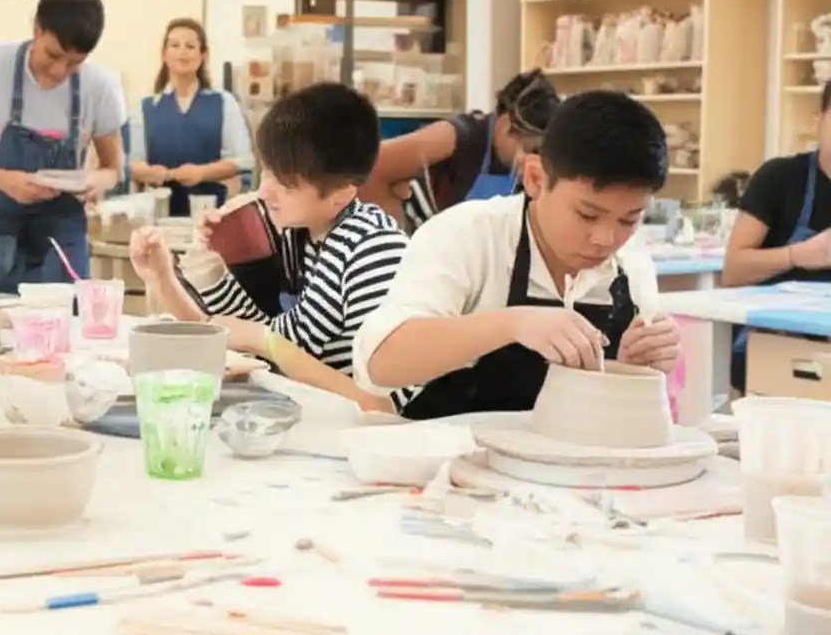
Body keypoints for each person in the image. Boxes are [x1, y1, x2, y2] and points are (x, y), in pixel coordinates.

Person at [353, 91, 682, 420]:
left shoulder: (631, 265)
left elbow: (616, 421)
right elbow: (381, 364)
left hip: (567, 463)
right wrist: (512, 324)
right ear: (536, 178)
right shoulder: (468, 235)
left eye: (629, 219)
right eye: (587, 215)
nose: (605, 238)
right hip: (450, 457)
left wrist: (632, 370)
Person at [130, 83, 410, 413]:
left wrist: (258, 337)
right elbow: (252, 339)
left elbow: (386, 405)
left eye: (286, 185)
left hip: (376, 437)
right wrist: (169, 277)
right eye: (266, 172)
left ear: (341, 194)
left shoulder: (370, 249)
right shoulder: (304, 230)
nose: (264, 192)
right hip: (322, 417)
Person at [0, 0, 126, 293]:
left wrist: (94, 181)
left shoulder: (100, 87)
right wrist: (1, 179)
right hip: (1, 237)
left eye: (75, 62)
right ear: (36, 28)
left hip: (63, 241)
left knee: (70, 331)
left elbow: (113, 169)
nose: (61, 70)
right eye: (53, 54)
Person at [721, 80, 831, 389]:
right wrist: (799, 254)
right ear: (818, 120)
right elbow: (733, 271)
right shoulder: (781, 178)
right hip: (775, 342)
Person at [359, 69, 561, 225]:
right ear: (505, 125)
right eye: (531, 150)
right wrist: (396, 241)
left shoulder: (520, 174)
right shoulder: (459, 135)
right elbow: (373, 165)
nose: (534, 161)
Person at [128, 18, 253, 216]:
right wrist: (152, 173)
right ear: (164, 54)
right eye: (175, 45)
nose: (182, 52)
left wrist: (202, 173)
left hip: (211, 214)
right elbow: (133, 163)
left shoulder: (224, 102)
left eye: (190, 46)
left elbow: (243, 160)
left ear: (203, 54)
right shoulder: (145, 107)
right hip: (158, 215)